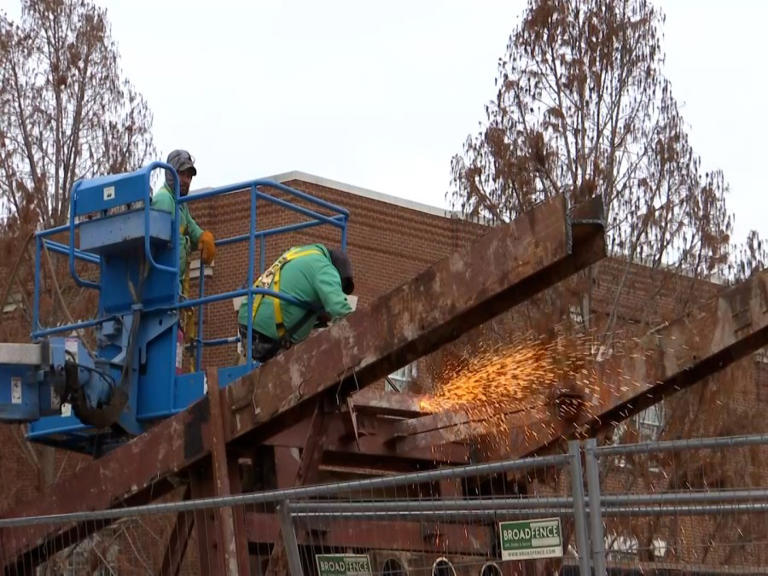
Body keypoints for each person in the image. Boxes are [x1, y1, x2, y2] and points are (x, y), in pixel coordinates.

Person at [238, 243, 355, 363]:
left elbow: (296, 291)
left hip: (248, 322)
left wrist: (320, 315)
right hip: (265, 335)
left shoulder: (300, 253)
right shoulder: (325, 268)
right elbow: (340, 309)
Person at [151, 149, 216, 295]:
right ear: (170, 173)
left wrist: (203, 237)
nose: (186, 180)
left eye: (189, 176)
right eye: (182, 174)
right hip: (163, 284)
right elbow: (159, 249)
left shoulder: (180, 204)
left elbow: (191, 227)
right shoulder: (164, 200)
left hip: (175, 284)